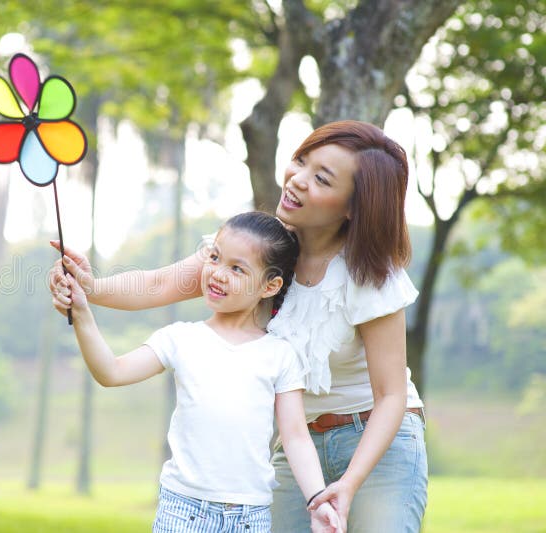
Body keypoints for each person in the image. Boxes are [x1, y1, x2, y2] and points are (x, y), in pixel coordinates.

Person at [50, 120, 427, 532]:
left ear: (353, 205)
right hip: (297, 440)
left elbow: (390, 396)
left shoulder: (371, 275)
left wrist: (348, 484)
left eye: (320, 178)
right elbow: (159, 283)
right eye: (300, 161)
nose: (297, 180)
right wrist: (91, 288)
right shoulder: (255, 250)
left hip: (375, 441)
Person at [58, 211, 341, 533]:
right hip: (182, 510)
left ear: (270, 285)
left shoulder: (280, 354)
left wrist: (317, 500)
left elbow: (295, 437)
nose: (218, 274)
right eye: (215, 258)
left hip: (250, 517)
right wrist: (81, 311)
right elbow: (112, 372)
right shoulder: (181, 338)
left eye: (237, 268)